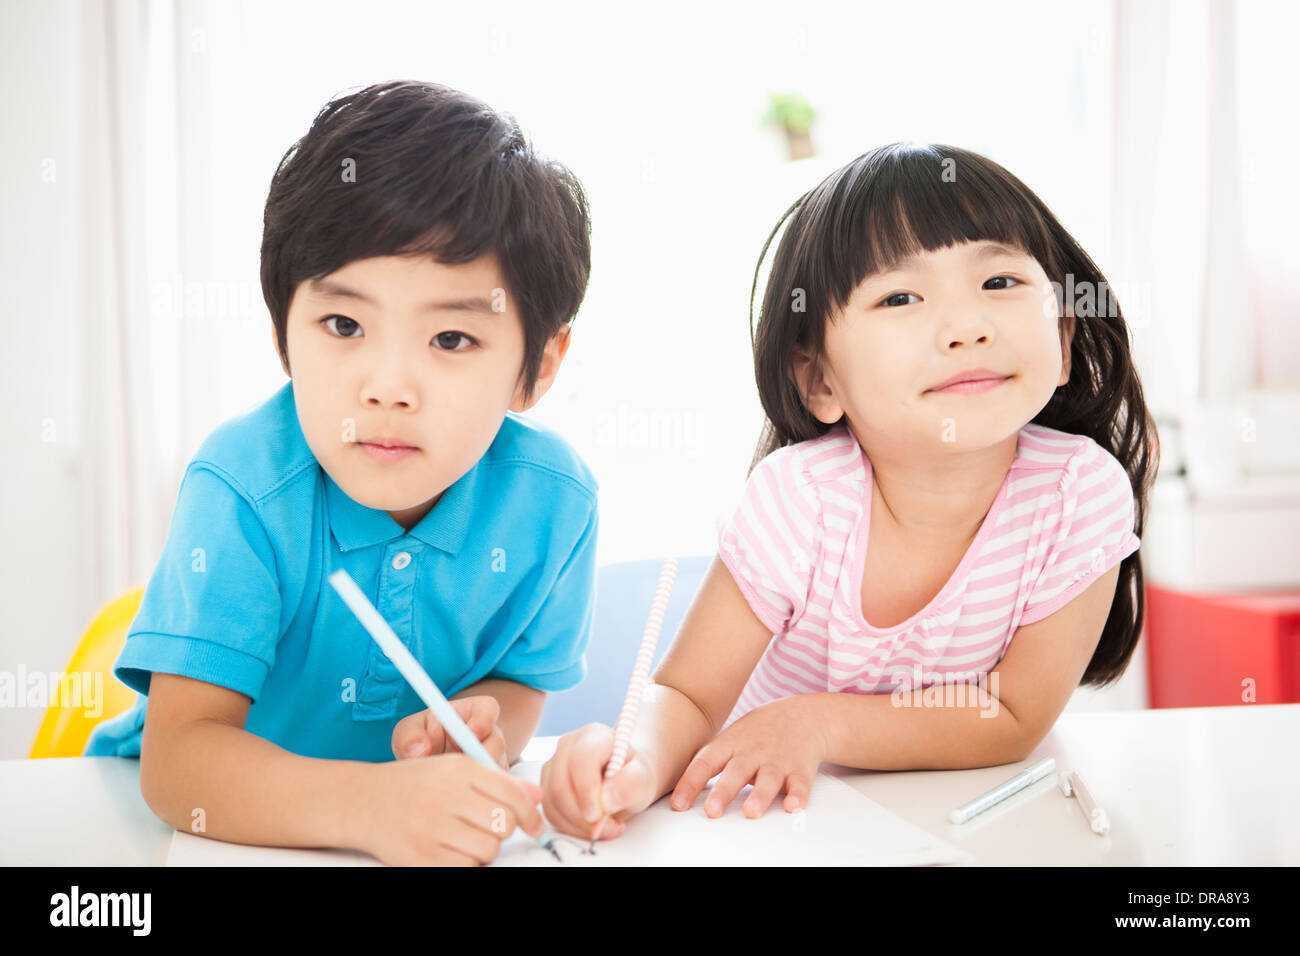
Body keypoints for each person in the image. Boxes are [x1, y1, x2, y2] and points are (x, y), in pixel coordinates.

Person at [541, 142, 1157, 841]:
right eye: (900, 296)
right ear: (819, 381)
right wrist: (633, 764)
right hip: (780, 826)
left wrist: (819, 721)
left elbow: (1012, 716)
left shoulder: (1082, 495)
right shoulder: (797, 501)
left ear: (1065, 334)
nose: (967, 327)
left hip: (975, 827)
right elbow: (686, 696)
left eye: (1000, 284)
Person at [85, 80, 597, 866]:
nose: (388, 386)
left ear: (538, 366)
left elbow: (522, 681)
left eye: (452, 339)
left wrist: (476, 723)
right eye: (344, 324)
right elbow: (179, 760)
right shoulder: (243, 489)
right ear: (282, 334)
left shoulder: (553, 504)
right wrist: (370, 806)